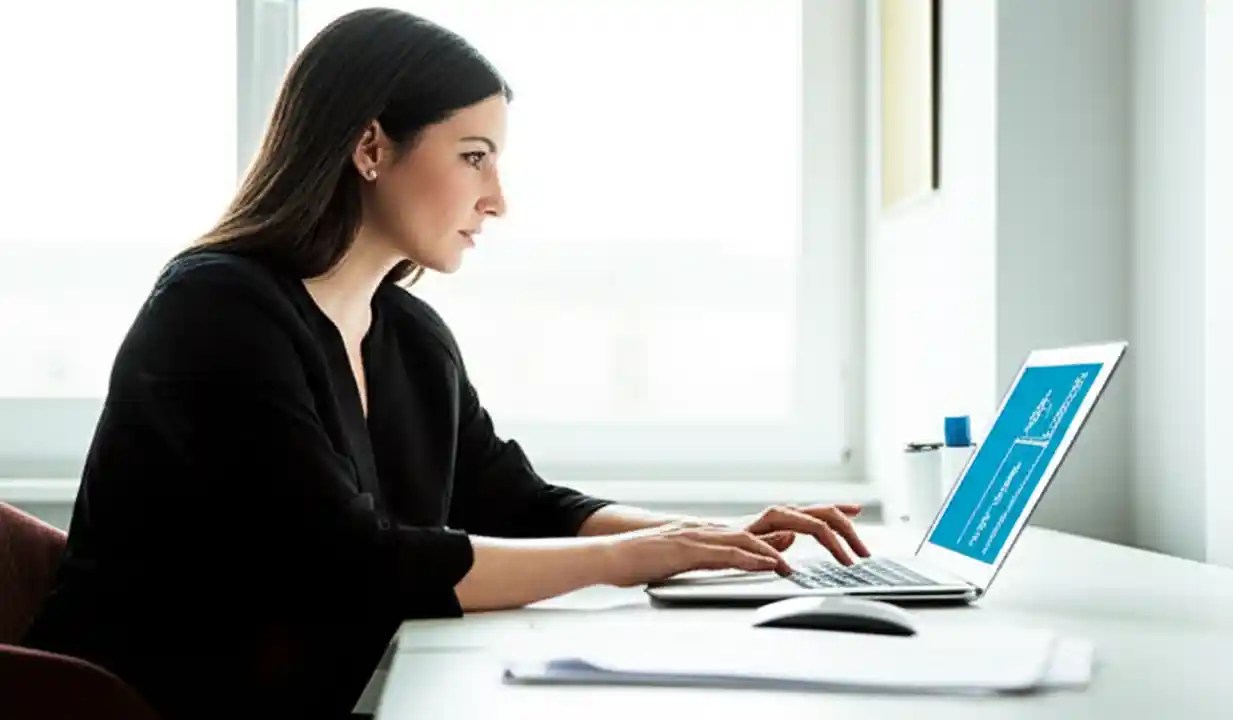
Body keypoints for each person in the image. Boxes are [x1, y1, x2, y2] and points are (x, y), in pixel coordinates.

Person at [23, 8, 869, 718]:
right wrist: (634, 557)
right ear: (370, 148)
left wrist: (702, 541)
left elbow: (520, 502)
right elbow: (354, 567)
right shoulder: (216, 312)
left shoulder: (408, 334)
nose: (498, 196)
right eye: (473, 155)